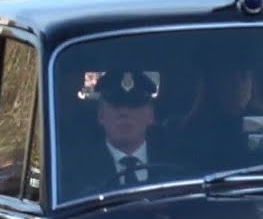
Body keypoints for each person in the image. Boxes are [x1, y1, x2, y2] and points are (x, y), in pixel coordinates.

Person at [61, 69, 181, 198]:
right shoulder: (76, 172)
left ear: (151, 115)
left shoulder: (174, 166)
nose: (124, 113)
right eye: (116, 106)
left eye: (134, 105)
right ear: (101, 115)